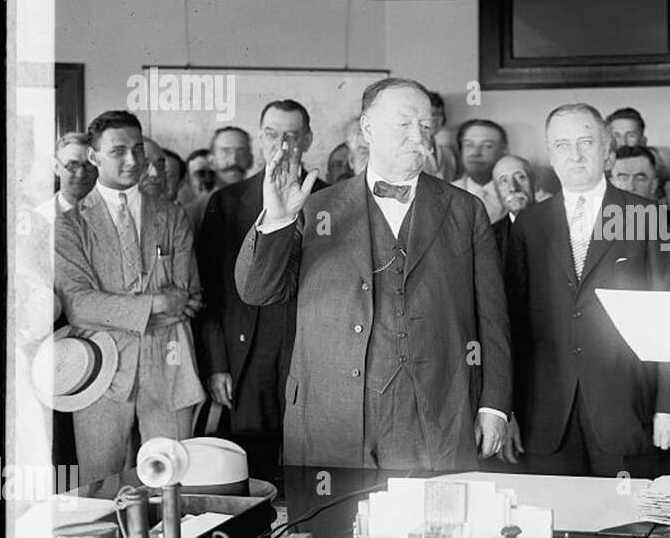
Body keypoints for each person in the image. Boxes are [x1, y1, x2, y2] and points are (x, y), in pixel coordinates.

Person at [235, 78, 511, 470]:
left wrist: (494, 405)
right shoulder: (318, 208)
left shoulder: (466, 210)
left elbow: (492, 317)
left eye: (426, 125)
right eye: (404, 124)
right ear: (368, 129)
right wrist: (278, 220)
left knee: (432, 529)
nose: (419, 136)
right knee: (333, 529)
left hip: (436, 417)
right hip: (330, 417)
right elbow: (257, 290)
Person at [505, 103, 670, 477]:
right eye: (563, 145)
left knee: (627, 527)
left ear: (607, 149)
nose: (576, 155)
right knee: (552, 528)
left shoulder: (650, 217)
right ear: (550, 154)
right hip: (545, 413)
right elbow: (512, 323)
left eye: (587, 142)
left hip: (627, 407)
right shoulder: (528, 223)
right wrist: (505, 408)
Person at [54, 110, 206, 482]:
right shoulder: (70, 224)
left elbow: (188, 294)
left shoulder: (171, 215)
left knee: (173, 485)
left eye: (138, 149)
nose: (133, 160)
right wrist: (154, 303)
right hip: (99, 369)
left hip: (169, 363)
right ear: (94, 157)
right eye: (119, 151)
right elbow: (79, 304)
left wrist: (116, 307)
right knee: (99, 485)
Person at [195, 100, 327, 471]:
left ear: (308, 138)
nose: (281, 145)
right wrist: (217, 364)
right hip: (249, 353)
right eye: (272, 134)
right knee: (254, 465)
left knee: (312, 457)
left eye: (291, 135)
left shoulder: (336, 198)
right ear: (259, 137)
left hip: (312, 348)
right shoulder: (228, 201)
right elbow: (212, 292)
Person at [453, 119, 508, 224]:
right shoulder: (441, 196)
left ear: (504, 151)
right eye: (469, 145)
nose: (475, 153)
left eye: (487, 146)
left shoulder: (525, 196)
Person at [35, 131, 96, 220]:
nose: (81, 174)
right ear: (56, 168)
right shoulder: (39, 218)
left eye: (89, 165)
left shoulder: (114, 214)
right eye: (73, 165)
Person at [491, 152, 536, 264]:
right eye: (503, 180)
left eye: (521, 177)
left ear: (535, 183)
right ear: (496, 191)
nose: (513, 187)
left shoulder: (560, 225)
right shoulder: (490, 236)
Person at [424, 88, 459, 183]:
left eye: (439, 114)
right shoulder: (407, 152)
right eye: (431, 114)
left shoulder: (448, 154)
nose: (435, 119)